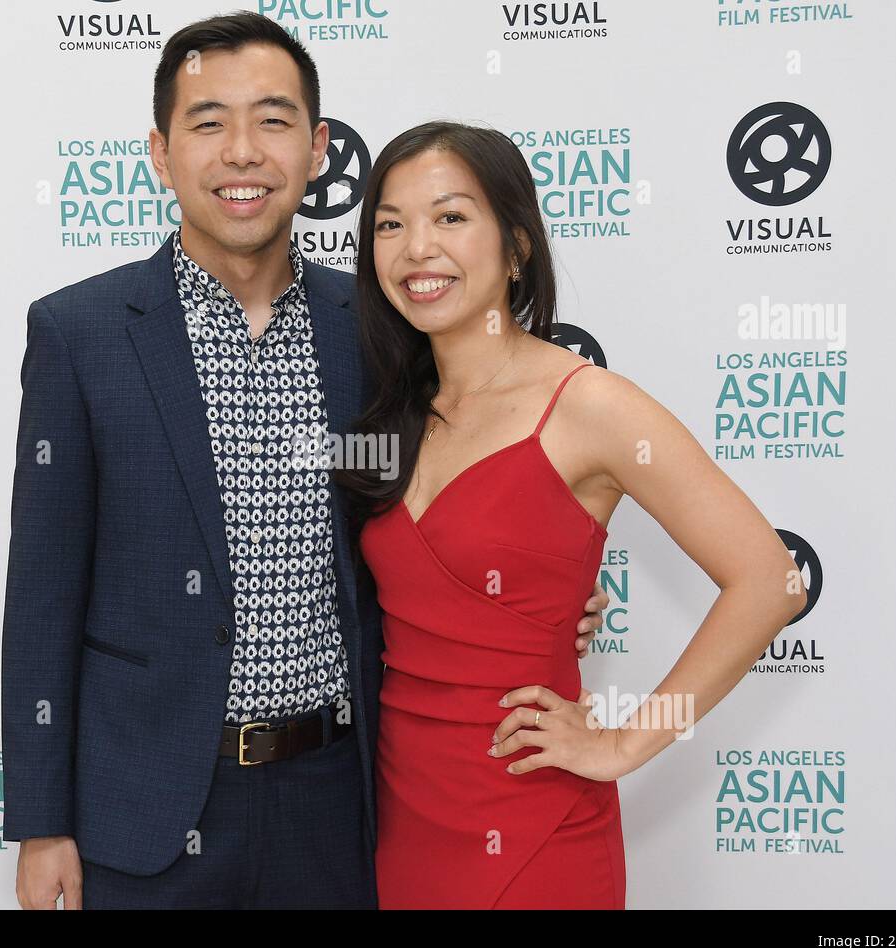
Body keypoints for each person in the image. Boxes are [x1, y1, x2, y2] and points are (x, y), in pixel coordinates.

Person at [0, 12, 609, 909]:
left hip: (339, 800)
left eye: (274, 120)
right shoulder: (81, 335)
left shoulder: (379, 330)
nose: (242, 151)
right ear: (162, 155)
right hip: (146, 813)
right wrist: (42, 821)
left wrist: (539, 596)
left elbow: (436, 506)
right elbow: (43, 594)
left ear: (318, 149)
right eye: (208, 122)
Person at [339, 121, 808, 908]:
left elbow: (770, 579)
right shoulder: (392, 408)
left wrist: (624, 741)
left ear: (517, 244)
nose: (417, 246)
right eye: (391, 223)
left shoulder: (591, 405)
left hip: (532, 820)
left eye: (450, 216)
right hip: (400, 817)